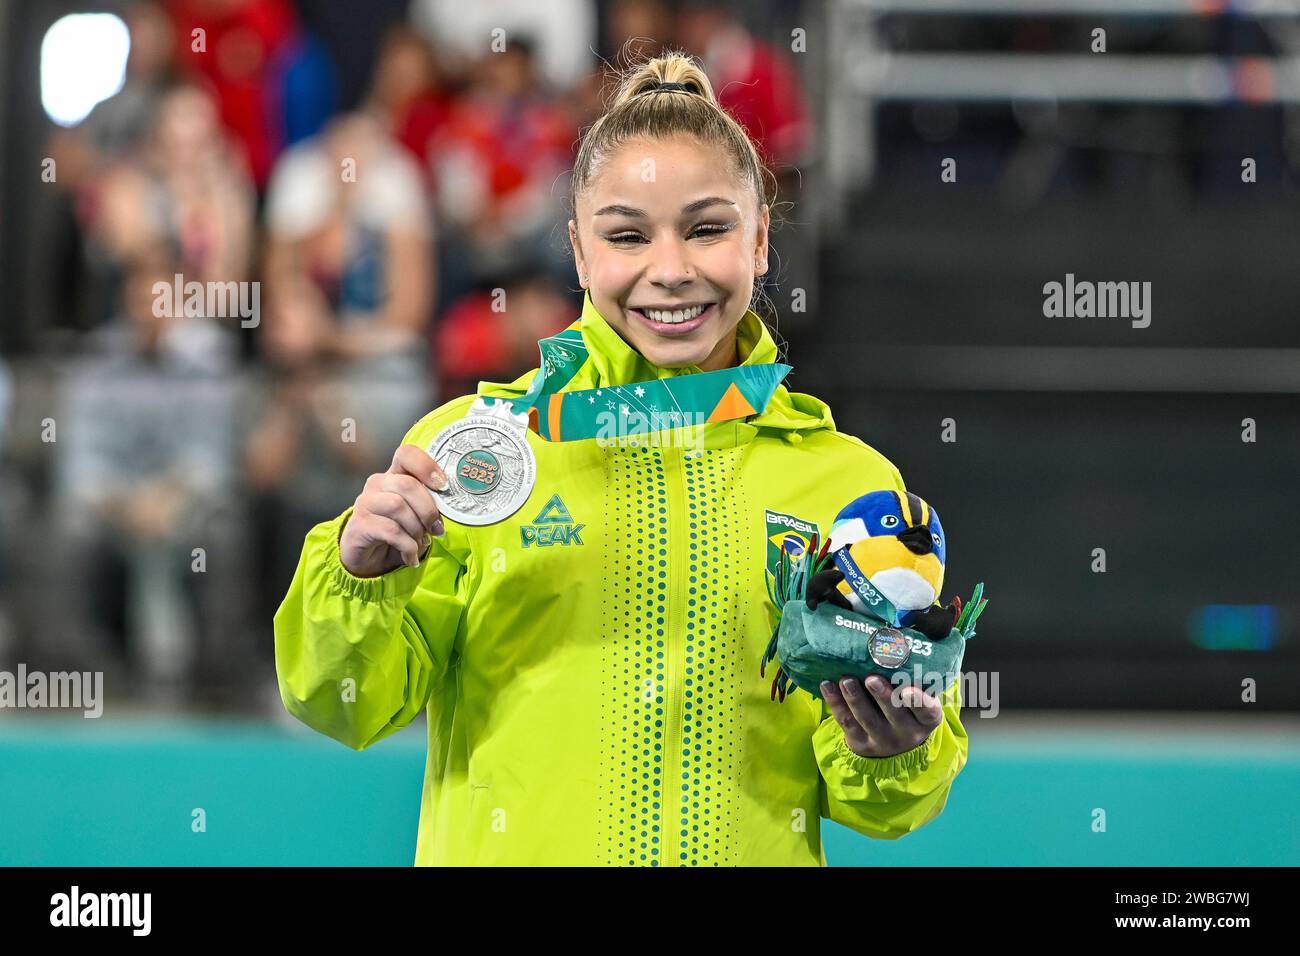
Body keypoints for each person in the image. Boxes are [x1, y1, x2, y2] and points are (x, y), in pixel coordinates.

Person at [274, 52, 968, 866]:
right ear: (577, 251)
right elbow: (344, 706)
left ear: (760, 239)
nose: (669, 271)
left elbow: (881, 804)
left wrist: (893, 751)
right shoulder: (477, 452)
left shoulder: (849, 488)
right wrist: (359, 581)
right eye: (627, 235)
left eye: (708, 228)